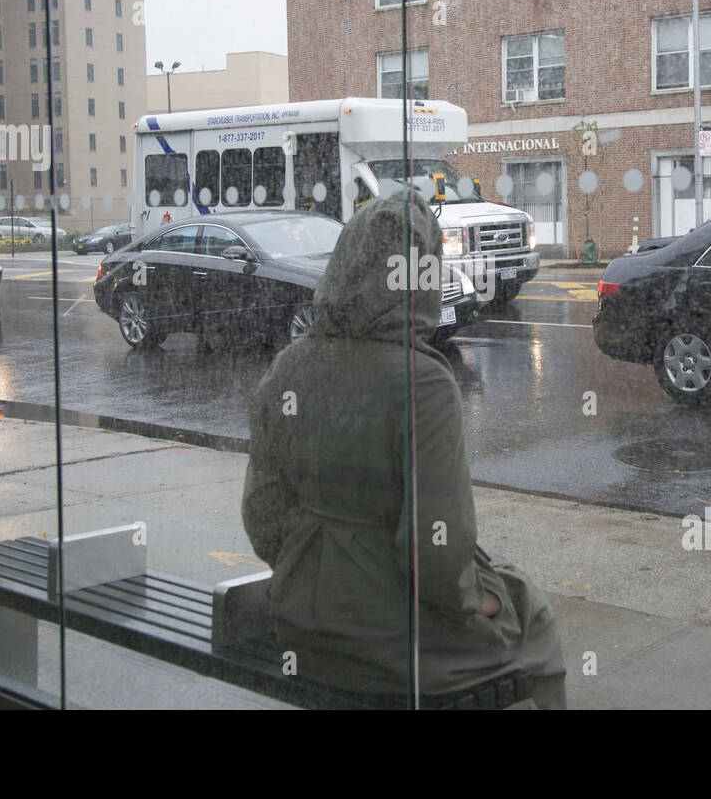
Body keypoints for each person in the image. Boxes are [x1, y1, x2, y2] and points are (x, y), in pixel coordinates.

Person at [242, 192, 567, 708]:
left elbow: (262, 517)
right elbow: (435, 555)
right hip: (395, 647)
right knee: (534, 619)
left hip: (302, 623)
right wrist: (480, 600)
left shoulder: (290, 367)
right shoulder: (423, 384)